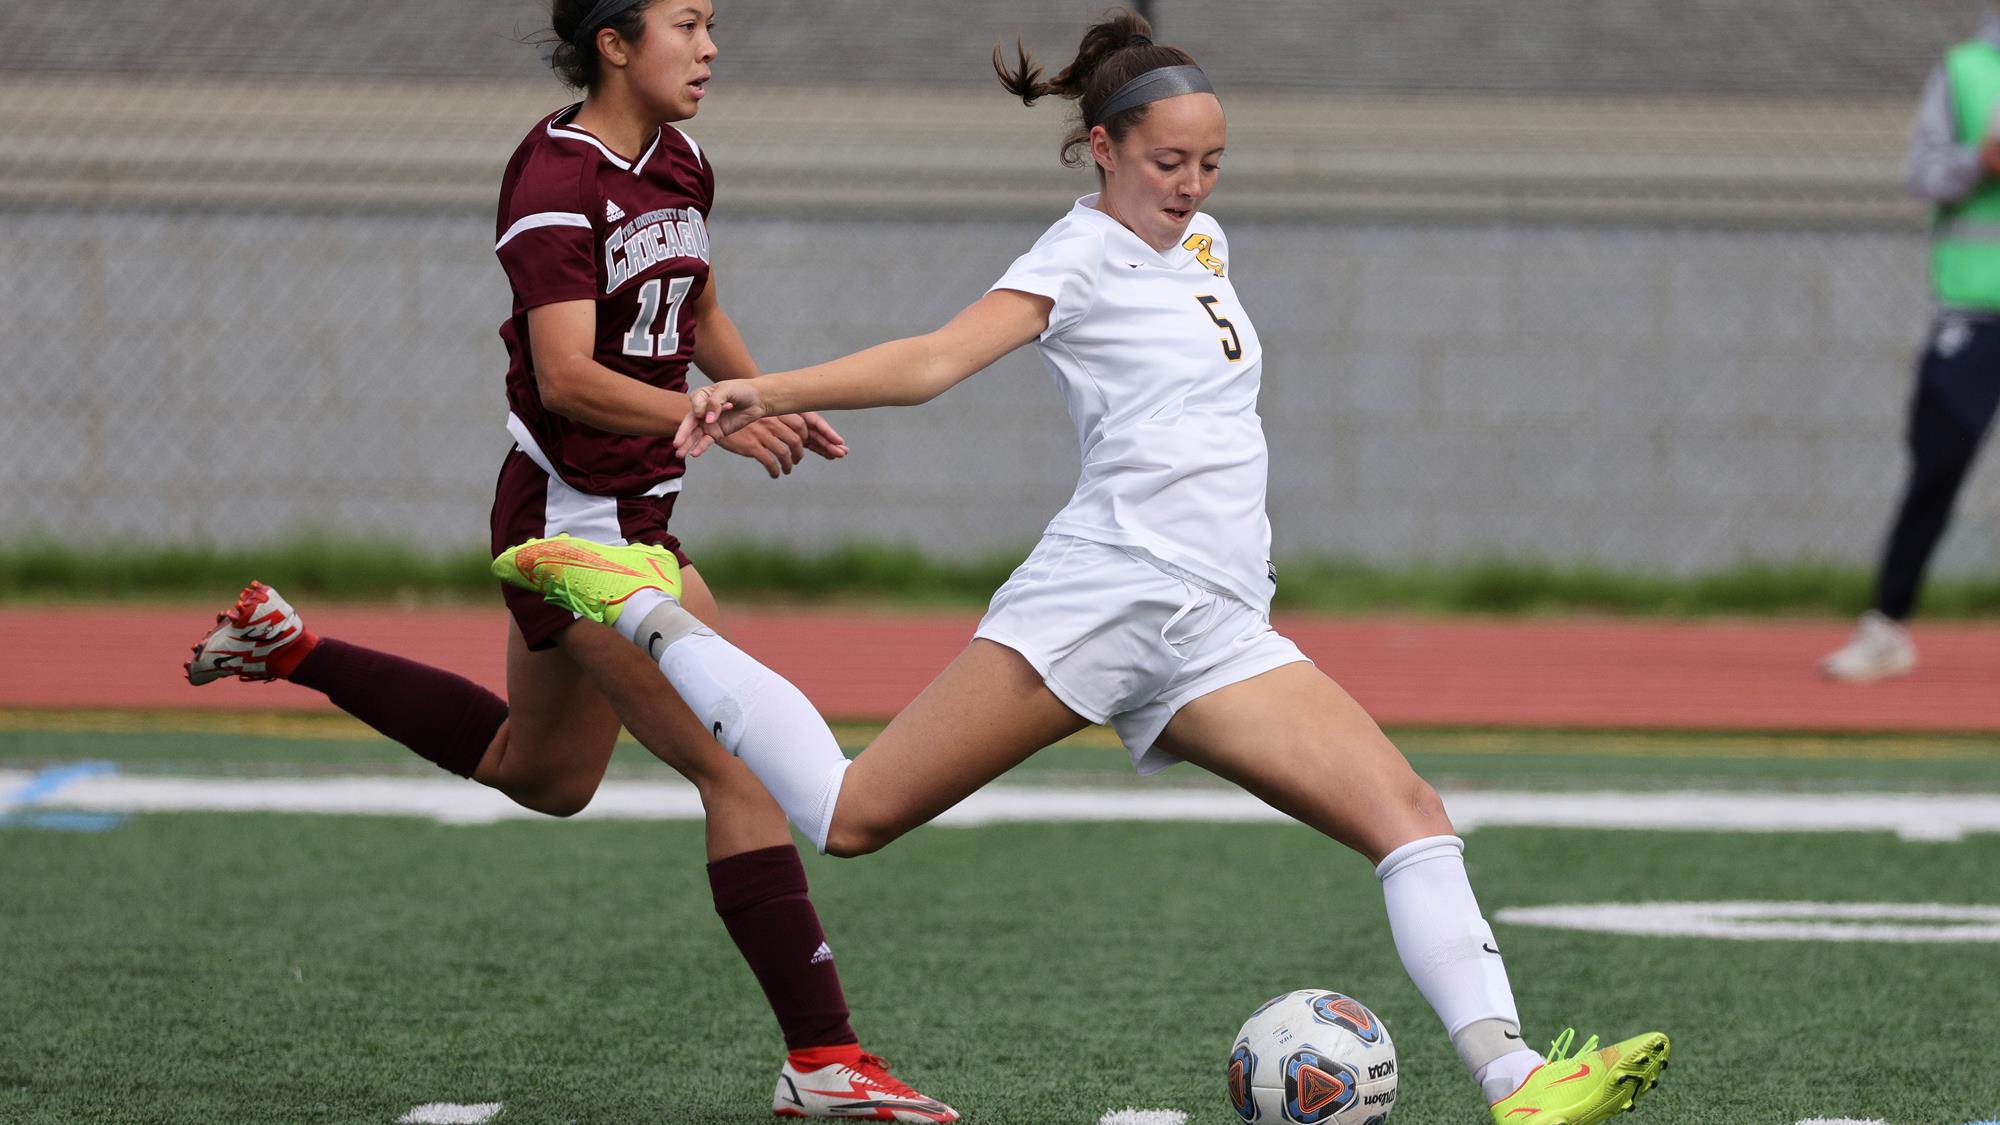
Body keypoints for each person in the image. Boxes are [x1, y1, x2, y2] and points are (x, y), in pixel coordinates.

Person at [494, 11, 1673, 1124]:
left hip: (1215, 624)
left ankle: (1514, 1078)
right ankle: (645, 613)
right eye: (1167, 161)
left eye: (1210, 161)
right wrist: (763, 390)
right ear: (1100, 150)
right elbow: (932, 362)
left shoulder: (1201, 240)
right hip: (1106, 599)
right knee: (851, 815)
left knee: (1411, 820)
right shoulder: (1080, 254)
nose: (1191, 185)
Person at [183, 2, 957, 1120]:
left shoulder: (682, 160)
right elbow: (565, 377)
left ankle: (287, 643)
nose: (709, 45)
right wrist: (712, 414)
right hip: (574, 527)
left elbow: (698, 305)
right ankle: (822, 1061)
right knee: (736, 770)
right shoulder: (553, 177)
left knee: (539, 772)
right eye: (685, 23)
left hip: (629, 518)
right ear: (611, 39)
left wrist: (756, 392)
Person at [1823, 6, 2000, 682]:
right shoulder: (1965, 73)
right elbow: (1921, 175)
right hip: (1976, 309)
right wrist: (1977, 163)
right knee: (1938, 459)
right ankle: (1887, 626)